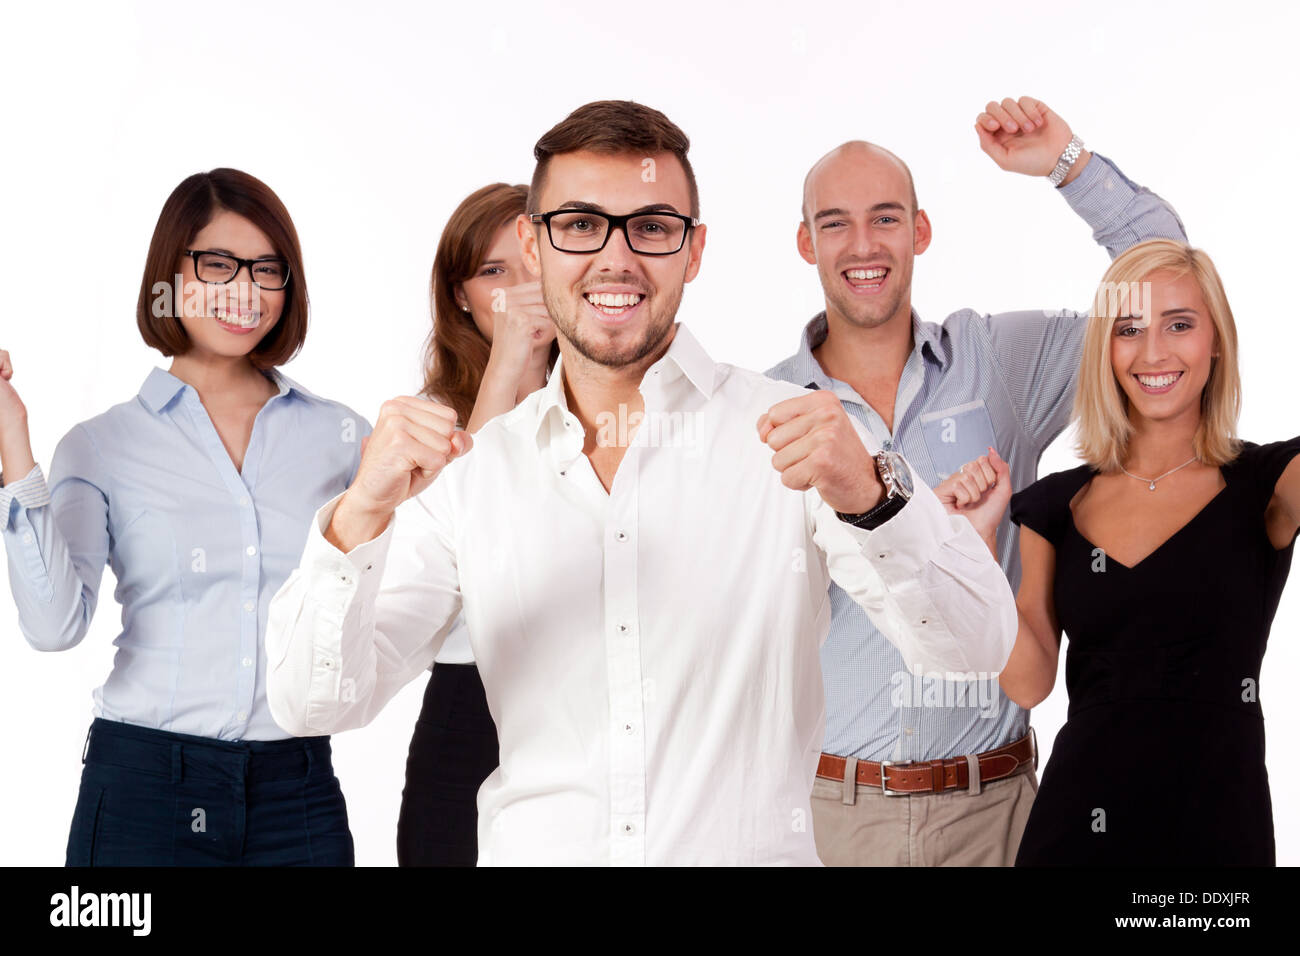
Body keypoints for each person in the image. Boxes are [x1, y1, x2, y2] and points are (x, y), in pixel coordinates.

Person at [265, 99, 1018, 866]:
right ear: (534, 244)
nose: (616, 259)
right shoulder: (476, 471)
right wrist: (361, 513)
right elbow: (312, 700)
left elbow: (976, 648)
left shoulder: (796, 434)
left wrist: (873, 495)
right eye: (581, 225)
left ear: (693, 252)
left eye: (651, 228)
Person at [764, 95, 1188, 865]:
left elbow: (1167, 293)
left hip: (996, 815)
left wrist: (1070, 165)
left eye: (886, 218)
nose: (864, 244)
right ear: (806, 242)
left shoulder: (999, 364)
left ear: (920, 231)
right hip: (832, 821)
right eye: (836, 223)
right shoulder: (765, 412)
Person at [0, 169, 369, 866]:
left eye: (267, 269)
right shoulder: (102, 445)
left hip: (297, 791)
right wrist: (14, 447)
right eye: (218, 264)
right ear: (169, 273)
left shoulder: (343, 438)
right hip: (144, 789)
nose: (246, 290)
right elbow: (54, 627)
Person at [991, 239, 1299, 865]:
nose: (1153, 351)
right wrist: (969, 552)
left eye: (1179, 324)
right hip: (1076, 835)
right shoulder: (1054, 505)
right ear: (1105, 351)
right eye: (1128, 329)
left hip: (1219, 841)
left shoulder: (1269, 481)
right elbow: (1026, 683)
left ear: (1217, 339)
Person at [397, 182, 558, 866]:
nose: (523, 290)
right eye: (494, 273)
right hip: (468, 699)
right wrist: (506, 369)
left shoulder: (622, 401)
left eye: (534, 267)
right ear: (460, 294)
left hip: (586, 692)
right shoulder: (429, 417)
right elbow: (468, 540)